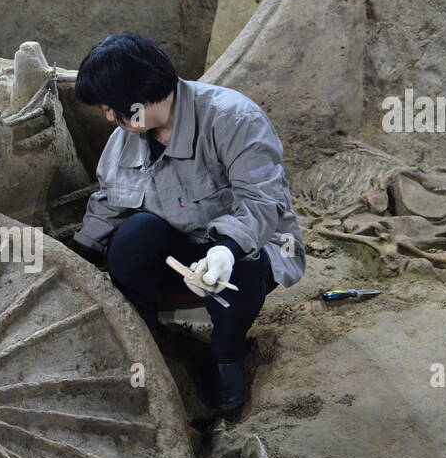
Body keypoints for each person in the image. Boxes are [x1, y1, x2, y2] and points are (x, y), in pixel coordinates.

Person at [67, 32, 305, 409]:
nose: (108, 117)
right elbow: (111, 199)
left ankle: (226, 355)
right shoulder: (127, 135)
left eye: (112, 107)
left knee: (239, 271)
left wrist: (226, 249)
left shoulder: (233, 118)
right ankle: (148, 348)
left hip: (238, 254)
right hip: (176, 258)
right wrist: (79, 251)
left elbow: (263, 200)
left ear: (138, 96)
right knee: (133, 237)